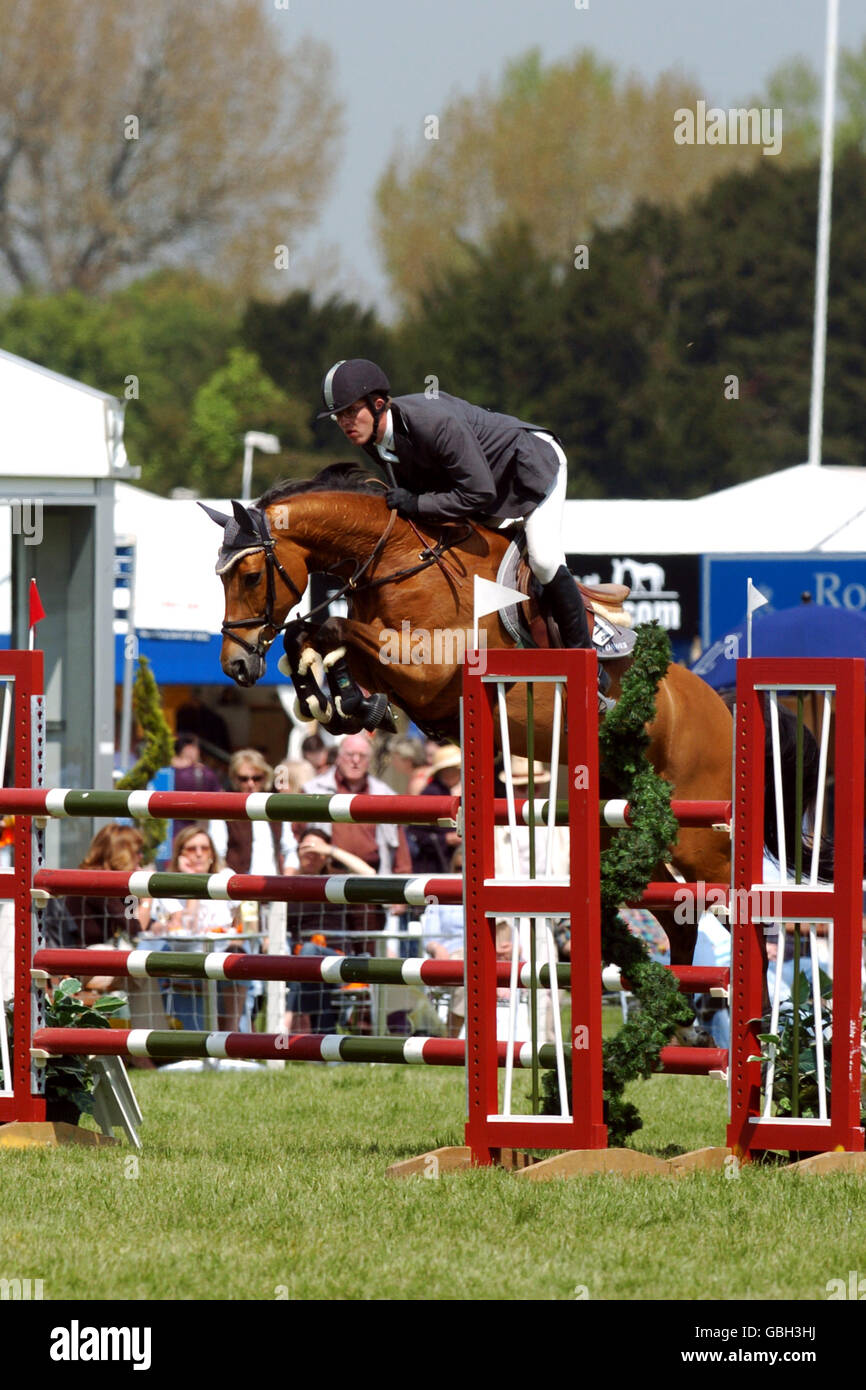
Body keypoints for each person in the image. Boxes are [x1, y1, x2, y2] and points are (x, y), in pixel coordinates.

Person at [317, 358, 610, 706]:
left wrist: (417, 504)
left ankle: (586, 660)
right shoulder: (373, 438)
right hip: (480, 484)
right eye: (340, 416)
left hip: (528, 469)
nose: (346, 423)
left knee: (544, 560)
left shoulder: (433, 423)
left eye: (352, 412)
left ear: (378, 404)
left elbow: (479, 494)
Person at [296, 732, 413, 952]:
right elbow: (295, 834)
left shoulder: (384, 795)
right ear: (338, 757)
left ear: (370, 760)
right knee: (327, 949)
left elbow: (399, 846)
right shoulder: (313, 790)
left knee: (367, 951)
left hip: (370, 885)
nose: (355, 760)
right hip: (325, 884)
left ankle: (362, 986)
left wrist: (399, 891)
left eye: (362, 755)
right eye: (350, 754)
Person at [145, 824, 249, 1032]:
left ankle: (231, 1034)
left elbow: (242, 920)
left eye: (205, 848)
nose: (199, 854)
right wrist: (192, 881)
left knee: (239, 956)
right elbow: (183, 926)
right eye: (192, 849)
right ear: (180, 855)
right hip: (186, 960)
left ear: (212, 854)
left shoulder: (225, 876)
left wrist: (237, 936)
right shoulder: (168, 885)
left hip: (223, 955)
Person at [283, 829, 375, 1033]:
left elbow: (370, 874)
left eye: (317, 849)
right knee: (308, 957)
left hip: (338, 958)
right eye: (306, 848)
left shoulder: (337, 882)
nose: (311, 854)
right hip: (302, 964)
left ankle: (288, 1023)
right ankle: (324, 1042)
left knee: (309, 952)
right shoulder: (290, 886)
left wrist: (331, 850)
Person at [210, 749, 285, 875]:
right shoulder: (224, 808)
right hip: (238, 886)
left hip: (274, 885)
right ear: (234, 779)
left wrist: (287, 880)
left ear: (265, 778)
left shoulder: (275, 805)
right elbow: (217, 853)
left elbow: (289, 849)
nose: (250, 784)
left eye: (256, 778)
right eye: (244, 779)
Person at [170, 733, 223, 841]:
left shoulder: (161, 772)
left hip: (164, 838)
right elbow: (222, 800)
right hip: (194, 837)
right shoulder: (204, 773)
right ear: (190, 748)